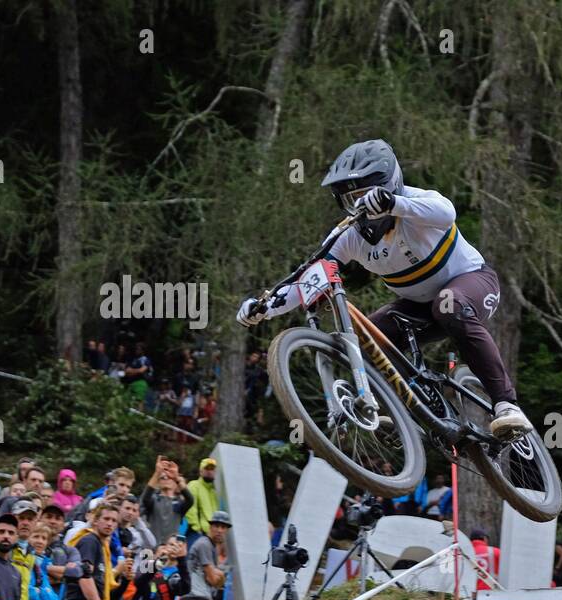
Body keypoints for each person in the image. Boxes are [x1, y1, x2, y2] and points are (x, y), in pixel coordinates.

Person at [236, 138, 533, 439]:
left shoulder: (416, 204)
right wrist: (266, 308)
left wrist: (395, 204)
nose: (361, 207)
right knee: (366, 336)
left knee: (449, 304)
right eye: (352, 200)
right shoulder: (349, 235)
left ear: (389, 186)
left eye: (366, 196)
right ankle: (398, 414)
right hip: (419, 306)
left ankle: (507, 405)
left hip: (473, 284)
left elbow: (447, 213)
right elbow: (310, 277)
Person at [179, 510, 231, 600]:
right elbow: (213, 580)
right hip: (195, 599)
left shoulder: (210, 546)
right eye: (216, 526)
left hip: (200, 599)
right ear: (210, 526)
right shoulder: (204, 544)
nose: (219, 530)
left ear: (227, 530)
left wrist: (218, 577)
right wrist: (222, 576)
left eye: (223, 527)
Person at [142, 456, 194, 546]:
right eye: (162, 478)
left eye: (169, 478)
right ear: (158, 483)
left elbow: (190, 500)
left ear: (175, 484)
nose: (166, 478)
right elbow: (145, 498)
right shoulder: (154, 499)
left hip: (171, 551)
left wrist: (177, 477)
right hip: (151, 549)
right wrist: (157, 473)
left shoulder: (179, 503)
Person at [185, 458, 220, 539]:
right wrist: (197, 528)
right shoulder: (194, 485)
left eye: (212, 469)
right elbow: (190, 509)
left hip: (211, 535)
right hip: (197, 533)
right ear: (201, 471)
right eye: (207, 468)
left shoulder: (213, 492)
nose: (210, 471)